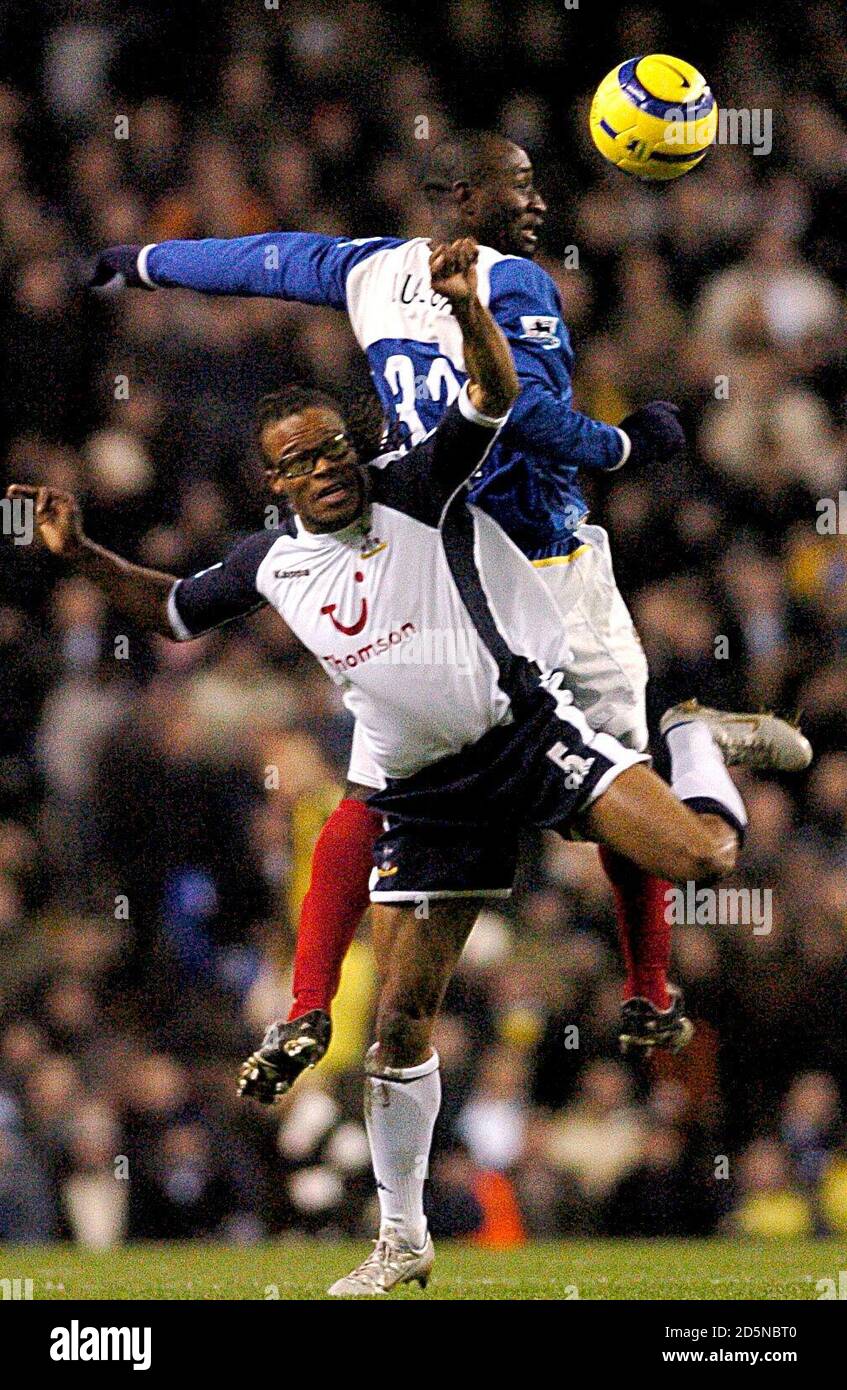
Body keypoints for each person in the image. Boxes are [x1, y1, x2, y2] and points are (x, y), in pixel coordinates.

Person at [12, 240, 808, 1294]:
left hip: (525, 736)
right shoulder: (271, 561)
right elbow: (166, 610)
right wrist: (80, 559)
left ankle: (691, 732)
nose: (327, 466)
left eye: (335, 445)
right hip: (428, 794)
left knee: (707, 859)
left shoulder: (418, 482)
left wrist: (466, 309)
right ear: (277, 479)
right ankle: (400, 1237)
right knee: (397, 1019)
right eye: (300, 459)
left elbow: (488, 398)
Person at [87, 132, 704, 1064]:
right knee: (621, 778)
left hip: (421, 545)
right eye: (521, 187)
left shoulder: (370, 270)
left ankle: (307, 1006)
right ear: (463, 197)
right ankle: (649, 986)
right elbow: (522, 415)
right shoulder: (512, 281)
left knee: (382, 775)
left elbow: (268, 259)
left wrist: (143, 262)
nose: (538, 204)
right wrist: (625, 447)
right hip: (534, 560)